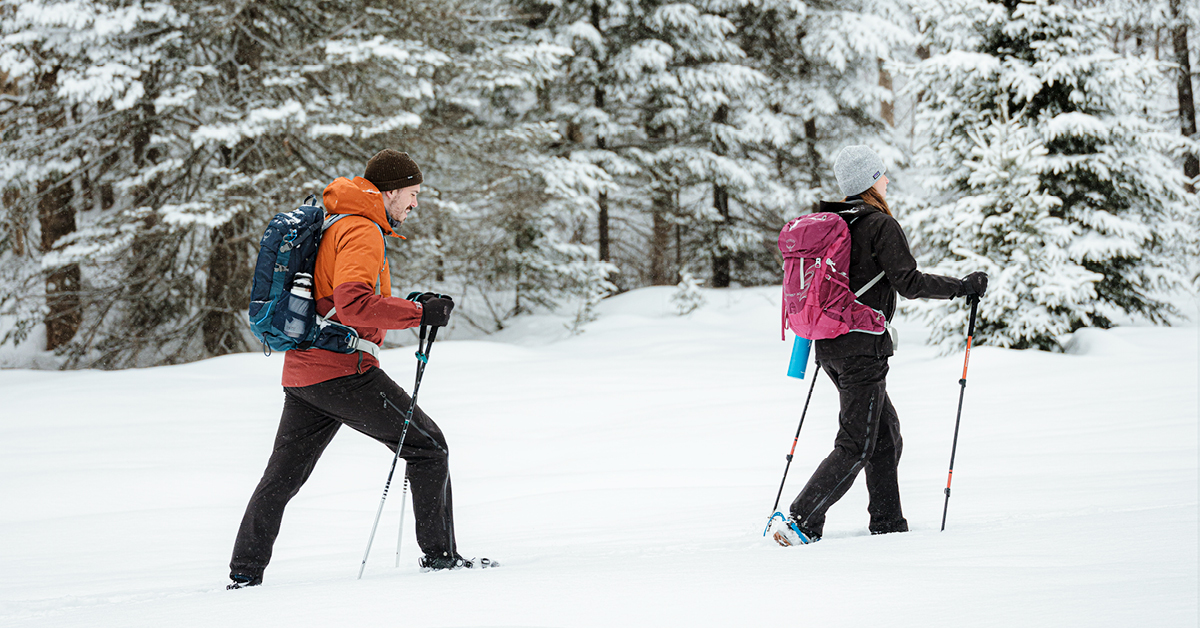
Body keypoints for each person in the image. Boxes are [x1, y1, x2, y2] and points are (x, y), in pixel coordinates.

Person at [228, 150, 486, 589]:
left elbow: (335, 298)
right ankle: (441, 560)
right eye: (412, 194)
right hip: (343, 370)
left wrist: (411, 305)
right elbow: (352, 303)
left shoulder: (337, 221)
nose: (415, 204)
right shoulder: (363, 230)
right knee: (429, 447)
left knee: (282, 476)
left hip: (304, 374)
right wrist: (419, 314)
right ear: (388, 192)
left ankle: (244, 573)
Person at [774, 145, 988, 546]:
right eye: (882, 175)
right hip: (863, 350)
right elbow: (909, 283)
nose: (887, 180)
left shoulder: (832, 222)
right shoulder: (878, 225)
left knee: (885, 433)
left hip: (830, 348)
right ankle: (801, 520)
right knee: (855, 444)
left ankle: (888, 524)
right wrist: (962, 288)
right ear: (871, 181)